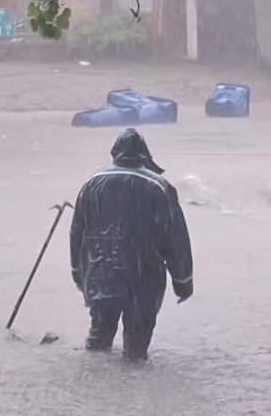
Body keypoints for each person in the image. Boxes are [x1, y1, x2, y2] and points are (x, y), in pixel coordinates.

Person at [70, 128, 194, 361]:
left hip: (101, 273)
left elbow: (77, 232)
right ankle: (134, 392)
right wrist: (183, 280)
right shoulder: (159, 187)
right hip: (144, 277)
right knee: (136, 352)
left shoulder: (91, 183)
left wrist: (78, 273)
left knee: (98, 342)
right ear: (145, 156)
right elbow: (176, 238)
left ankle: (94, 392)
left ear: (115, 153)